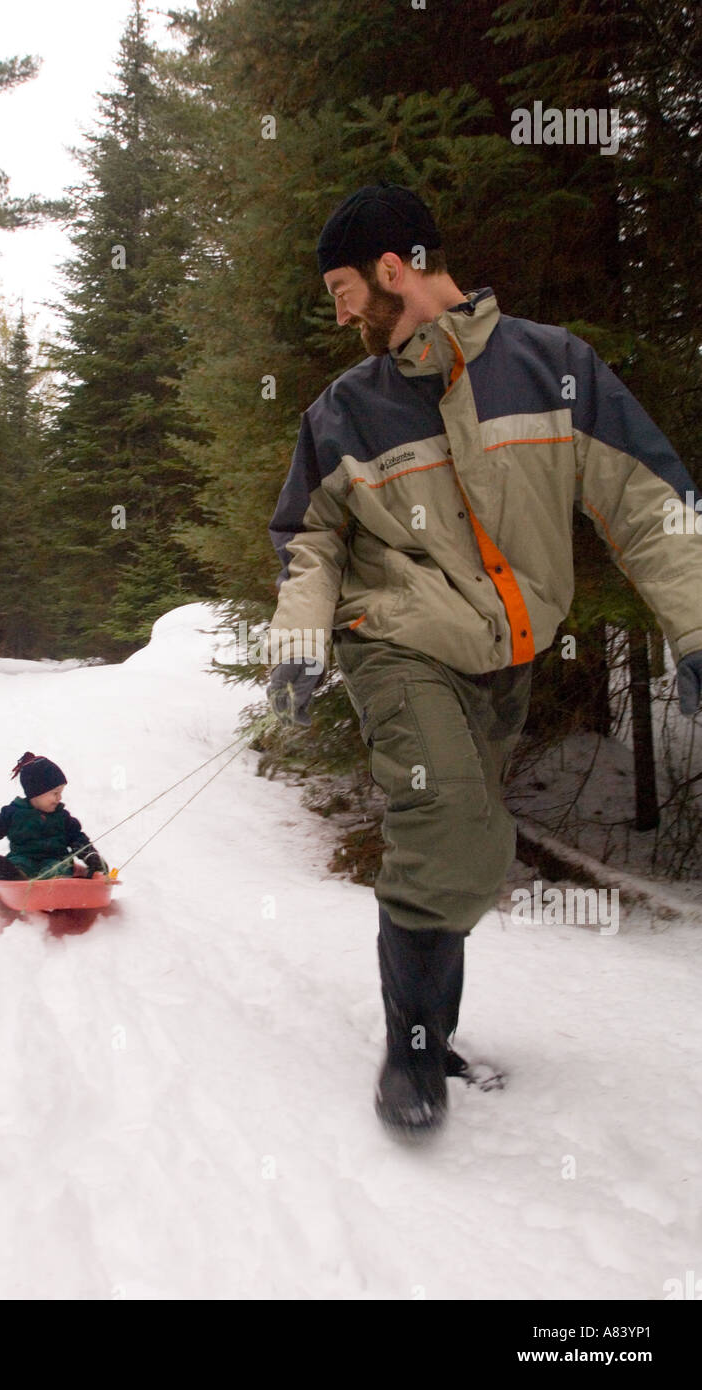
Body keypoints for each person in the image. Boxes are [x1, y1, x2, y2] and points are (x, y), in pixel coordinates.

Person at [265, 182, 702, 1135]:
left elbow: (647, 504)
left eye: (342, 286)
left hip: (505, 656)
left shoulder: (554, 369)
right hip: (396, 642)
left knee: (458, 847)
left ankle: (431, 1030)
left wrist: (695, 628)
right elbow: (311, 541)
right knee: (455, 825)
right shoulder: (345, 410)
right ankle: (410, 1056)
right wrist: (300, 636)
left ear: (394, 271)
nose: (337, 309)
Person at [0, 751, 108, 883]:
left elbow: (78, 839)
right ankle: (17, 879)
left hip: (55, 861)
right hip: (22, 860)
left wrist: (92, 857)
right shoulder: (13, 813)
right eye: (55, 793)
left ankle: (55, 884)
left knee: (60, 867)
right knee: (0, 864)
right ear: (37, 792)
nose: (59, 798)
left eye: (60, 792)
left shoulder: (62, 817)